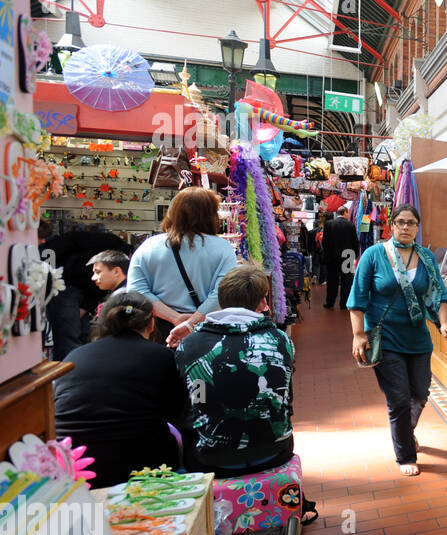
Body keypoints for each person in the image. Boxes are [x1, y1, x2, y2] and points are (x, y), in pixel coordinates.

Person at [348, 204, 447, 477]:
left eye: (411, 223)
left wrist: (444, 323)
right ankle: (406, 453)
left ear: (417, 228)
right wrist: (358, 335)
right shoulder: (374, 255)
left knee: (420, 393)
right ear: (391, 225)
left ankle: (406, 431)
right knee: (398, 398)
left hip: (418, 338)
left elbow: (439, 294)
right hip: (386, 338)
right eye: (401, 222)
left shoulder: (426, 257)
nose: (406, 227)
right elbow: (357, 299)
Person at [53, 290, 186, 488]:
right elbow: (176, 410)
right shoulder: (161, 356)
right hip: (142, 468)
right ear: (151, 323)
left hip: (74, 468)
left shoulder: (74, 356)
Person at [174, 264, 295, 477]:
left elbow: (197, 398)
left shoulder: (190, 346)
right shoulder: (280, 340)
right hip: (274, 449)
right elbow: (285, 394)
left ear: (220, 302)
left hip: (213, 458)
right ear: (263, 302)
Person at [127, 187, 237, 348]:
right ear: (211, 215)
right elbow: (222, 292)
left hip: (159, 329)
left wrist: (174, 318)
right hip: (206, 329)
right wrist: (191, 322)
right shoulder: (222, 248)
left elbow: (136, 291)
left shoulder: (149, 246)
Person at [39, 222, 130, 360]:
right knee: (70, 339)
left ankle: (68, 373)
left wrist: (85, 306)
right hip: (67, 286)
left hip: (67, 286)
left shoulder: (113, 249)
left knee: (69, 339)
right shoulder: (114, 248)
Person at [322, 203, 360, 309]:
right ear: (345, 213)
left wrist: (326, 254)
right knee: (346, 280)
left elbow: (325, 242)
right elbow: (355, 242)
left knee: (332, 280)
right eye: (348, 213)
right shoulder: (350, 225)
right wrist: (356, 255)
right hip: (348, 256)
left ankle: (330, 302)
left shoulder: (329, 224)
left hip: (332, 257)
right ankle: (344, 303)